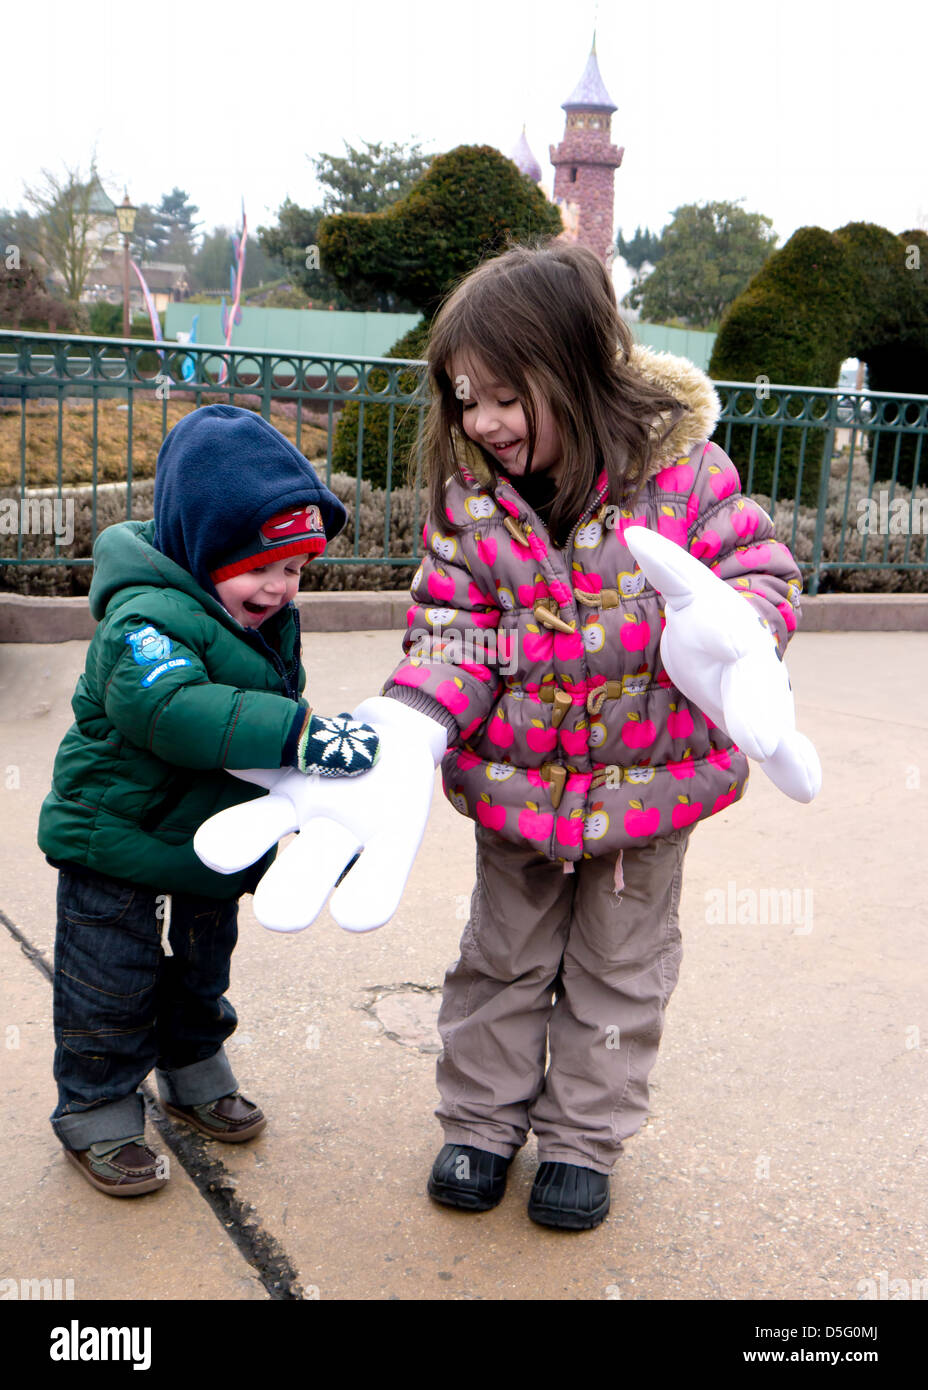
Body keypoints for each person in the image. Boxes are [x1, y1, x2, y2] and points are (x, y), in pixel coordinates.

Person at [376, 240, 805, 1230]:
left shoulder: (686, 477)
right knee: (501, 960)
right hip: (518, 788)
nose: (482, 422)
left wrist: (738, 631)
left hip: (647, 790)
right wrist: (415, 717)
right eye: (464, 400)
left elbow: (759, 572)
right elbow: (450, 632)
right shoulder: (472, 505)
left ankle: (580, 1139)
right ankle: (480, 1124)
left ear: (572, 370)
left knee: (619, 970)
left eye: (504, 396)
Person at [37, 404, 380, 1197]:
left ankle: (191, 1067)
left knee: (201, 970)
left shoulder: (260, 618)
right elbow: (174, 711)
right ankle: (96, 1106)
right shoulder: (143, 619)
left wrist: (324, 807)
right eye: (263, 565)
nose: (281, 586)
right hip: (116, 844)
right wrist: (299, 734)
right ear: (202, 547)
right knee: (108, 984)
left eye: (297, 569)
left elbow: (261, 732)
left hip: (207, 845)